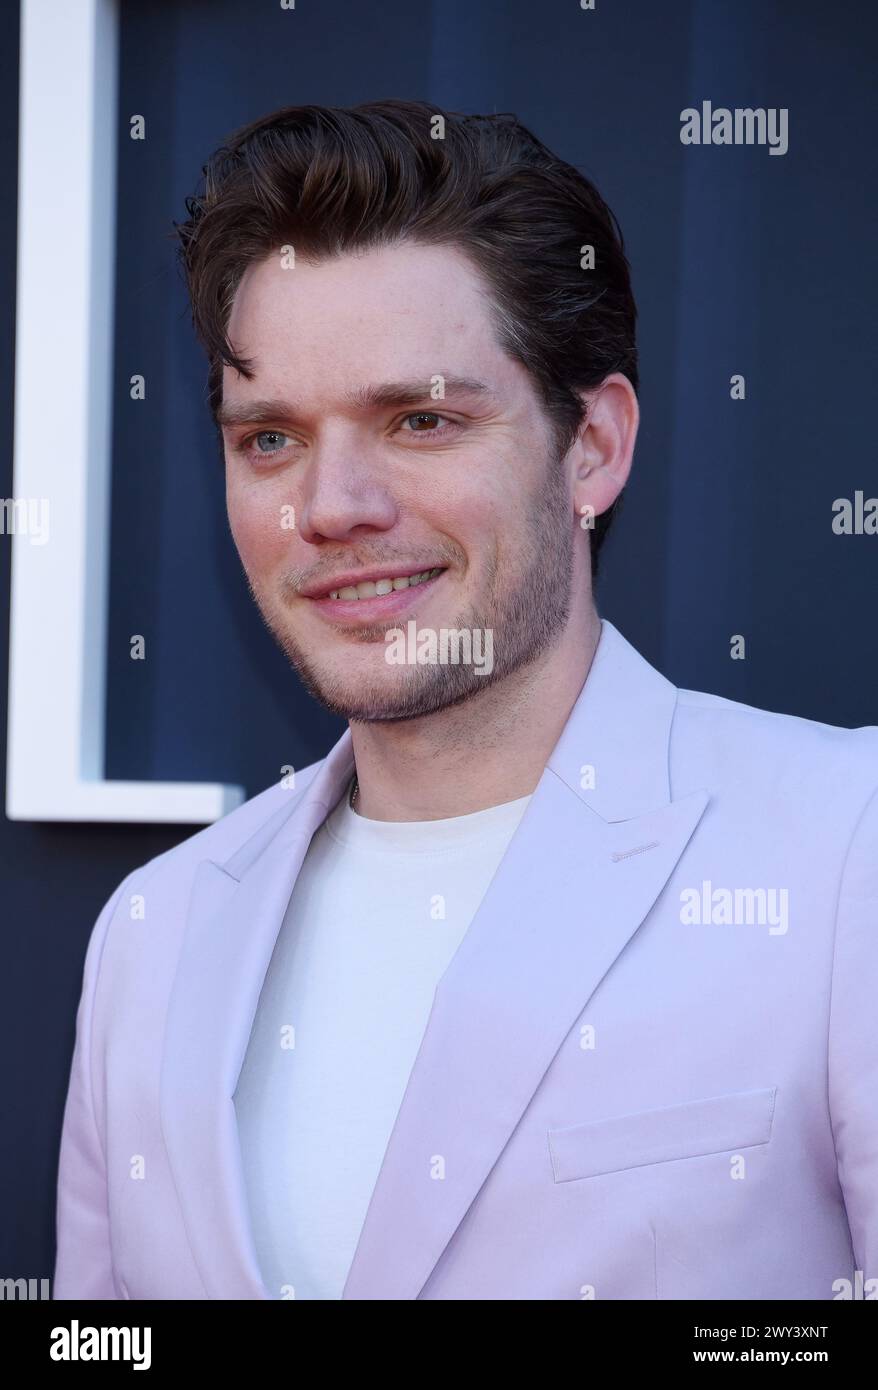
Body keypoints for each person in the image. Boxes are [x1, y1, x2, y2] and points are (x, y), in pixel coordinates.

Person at [54, 99, 878, 1301]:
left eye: (421, 419)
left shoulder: (844, 847)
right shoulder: (152, 934)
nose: (331, 505)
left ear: (590, 446)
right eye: (271, 438)